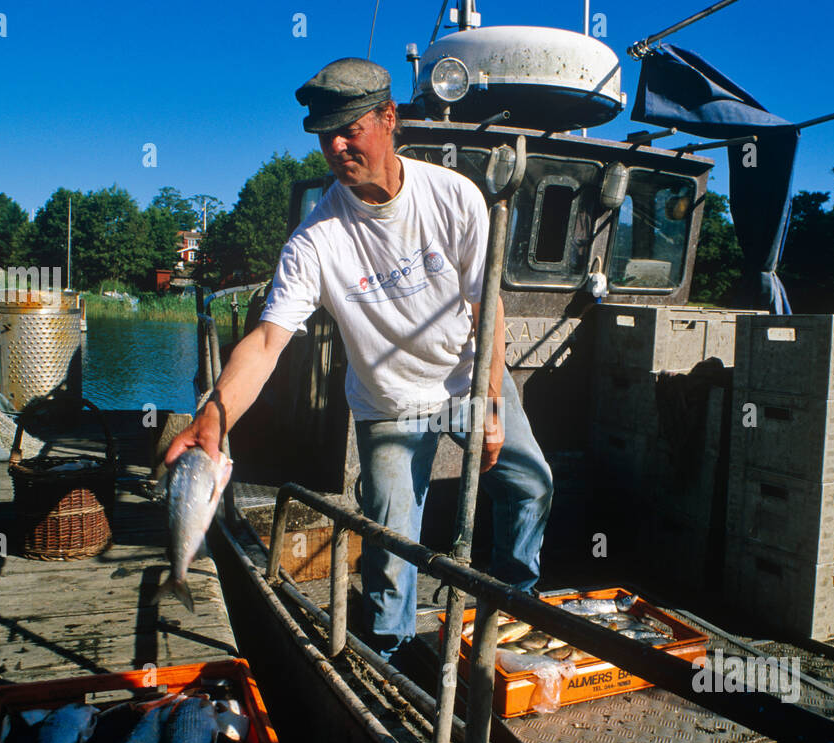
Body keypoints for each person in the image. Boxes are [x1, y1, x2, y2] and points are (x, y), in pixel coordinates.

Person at [164, 58, 552, 658]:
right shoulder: (315, 241)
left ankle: (512, 604)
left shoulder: (453, 197)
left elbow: (490, 306)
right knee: (393, 545)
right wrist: (213, 416)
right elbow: (267, 342)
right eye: (326, 136)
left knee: (530, 484)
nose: (337, 146)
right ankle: (388, 653)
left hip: (467, 381)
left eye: (350, 129)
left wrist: (492, 398)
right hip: (390, 404)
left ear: (389, 118)